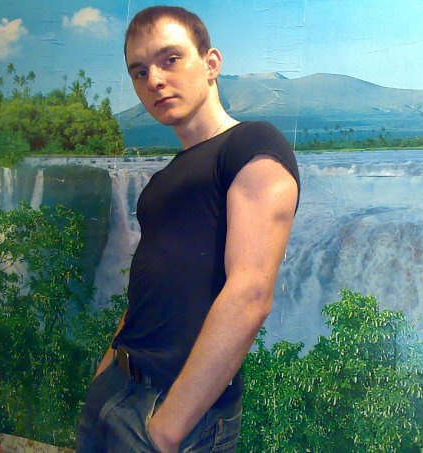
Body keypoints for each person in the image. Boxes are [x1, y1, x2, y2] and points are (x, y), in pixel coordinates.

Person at [76, 6, 300, 452]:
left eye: (170, 59)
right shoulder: (166, 176)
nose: (154, 80)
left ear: (211, 63)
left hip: (172, 416)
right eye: (139, 71)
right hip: (116, 390)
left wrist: (166, 431)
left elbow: (250, 295)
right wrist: (106, 373)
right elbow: (147, 292)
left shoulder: (252, 144)